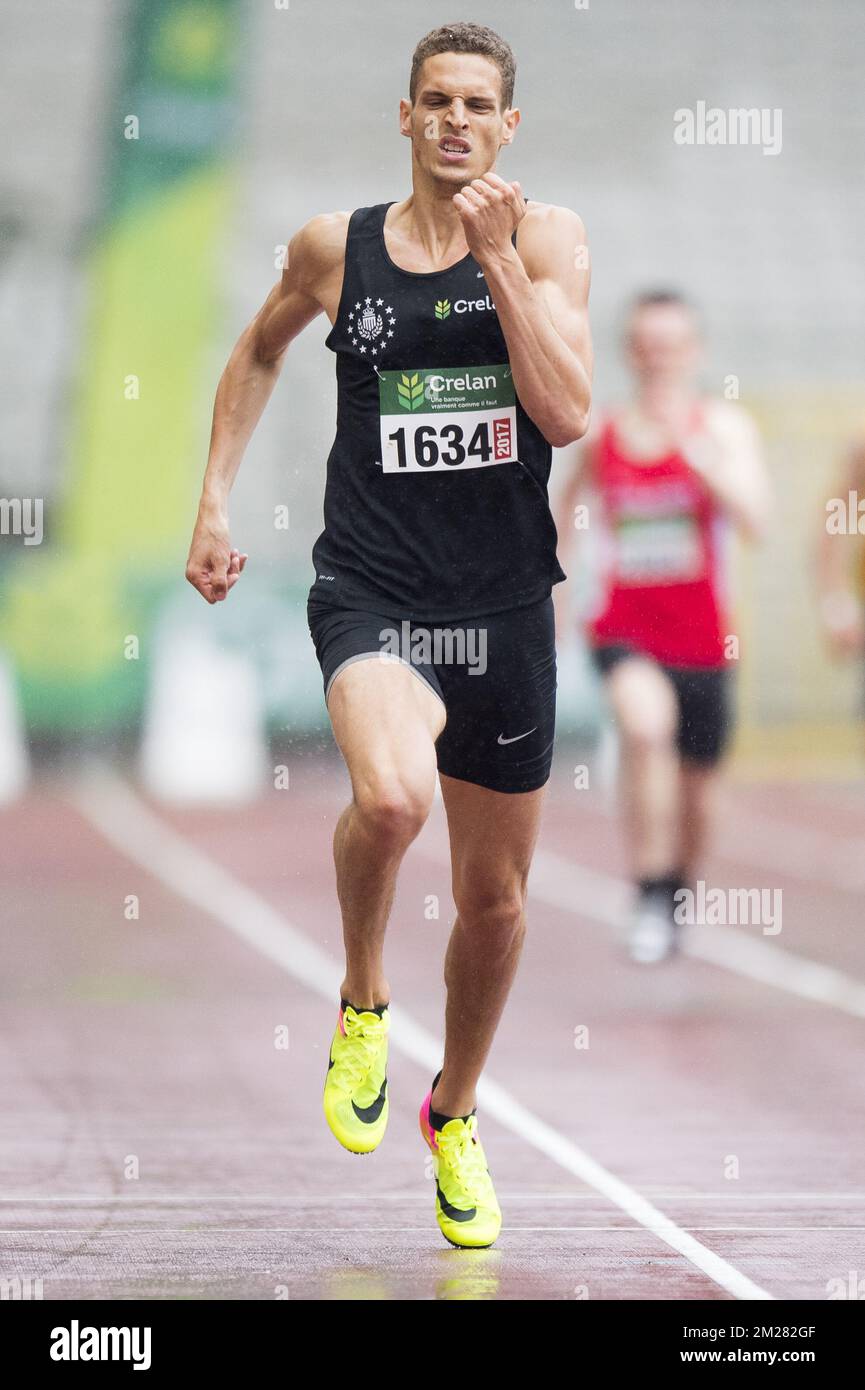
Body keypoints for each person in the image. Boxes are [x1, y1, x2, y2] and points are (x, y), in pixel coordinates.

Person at [185, 22, 592, 1248]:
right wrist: (211, 499)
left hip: (505, 602)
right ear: (404, 116)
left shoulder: (547, 238)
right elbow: (256, 350)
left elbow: (567, 414)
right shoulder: (334, 250)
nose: (456, 121)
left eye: (478, 105)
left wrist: (495, 261)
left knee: (497, 902)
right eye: (435, 102)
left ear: (507, 127)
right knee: (394, 800)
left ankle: (453, 1112)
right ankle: (364, 994)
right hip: (372, 589)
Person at [555, 290, 769, 964]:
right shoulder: (603, 434)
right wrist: (553, 602)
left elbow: (759, 522)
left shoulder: (723, 429)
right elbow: (563, 520)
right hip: (623, 628)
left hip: (704, 636)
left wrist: (711, 470)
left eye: (671, 343)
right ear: (629, 350)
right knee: (645, 730)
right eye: (646, 342)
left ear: (695, 351)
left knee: (697, 793)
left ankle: (675, 891)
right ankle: (648, 893)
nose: (658, 356)